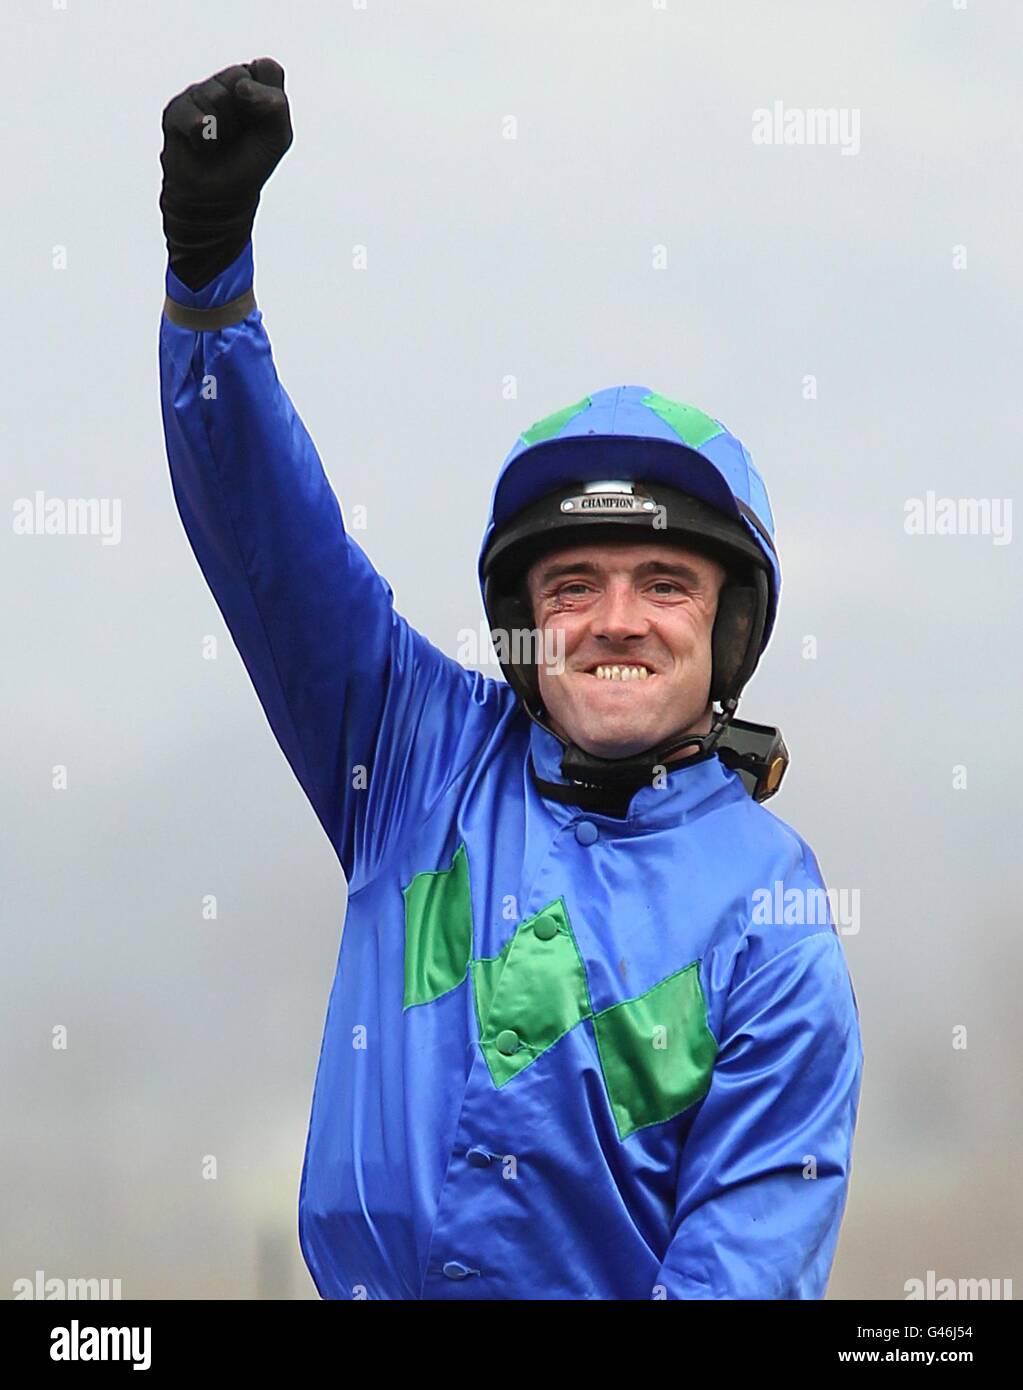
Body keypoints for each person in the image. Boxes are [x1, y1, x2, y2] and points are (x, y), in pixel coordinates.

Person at [159, 58, 863, 1300]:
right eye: (572, 584)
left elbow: (737, 1276)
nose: (615, 622)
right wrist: (211, 285)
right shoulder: (410, 755)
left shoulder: (774, 920)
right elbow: (270, 540)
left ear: (726, 627)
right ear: (523, 622)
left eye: (664, 583)